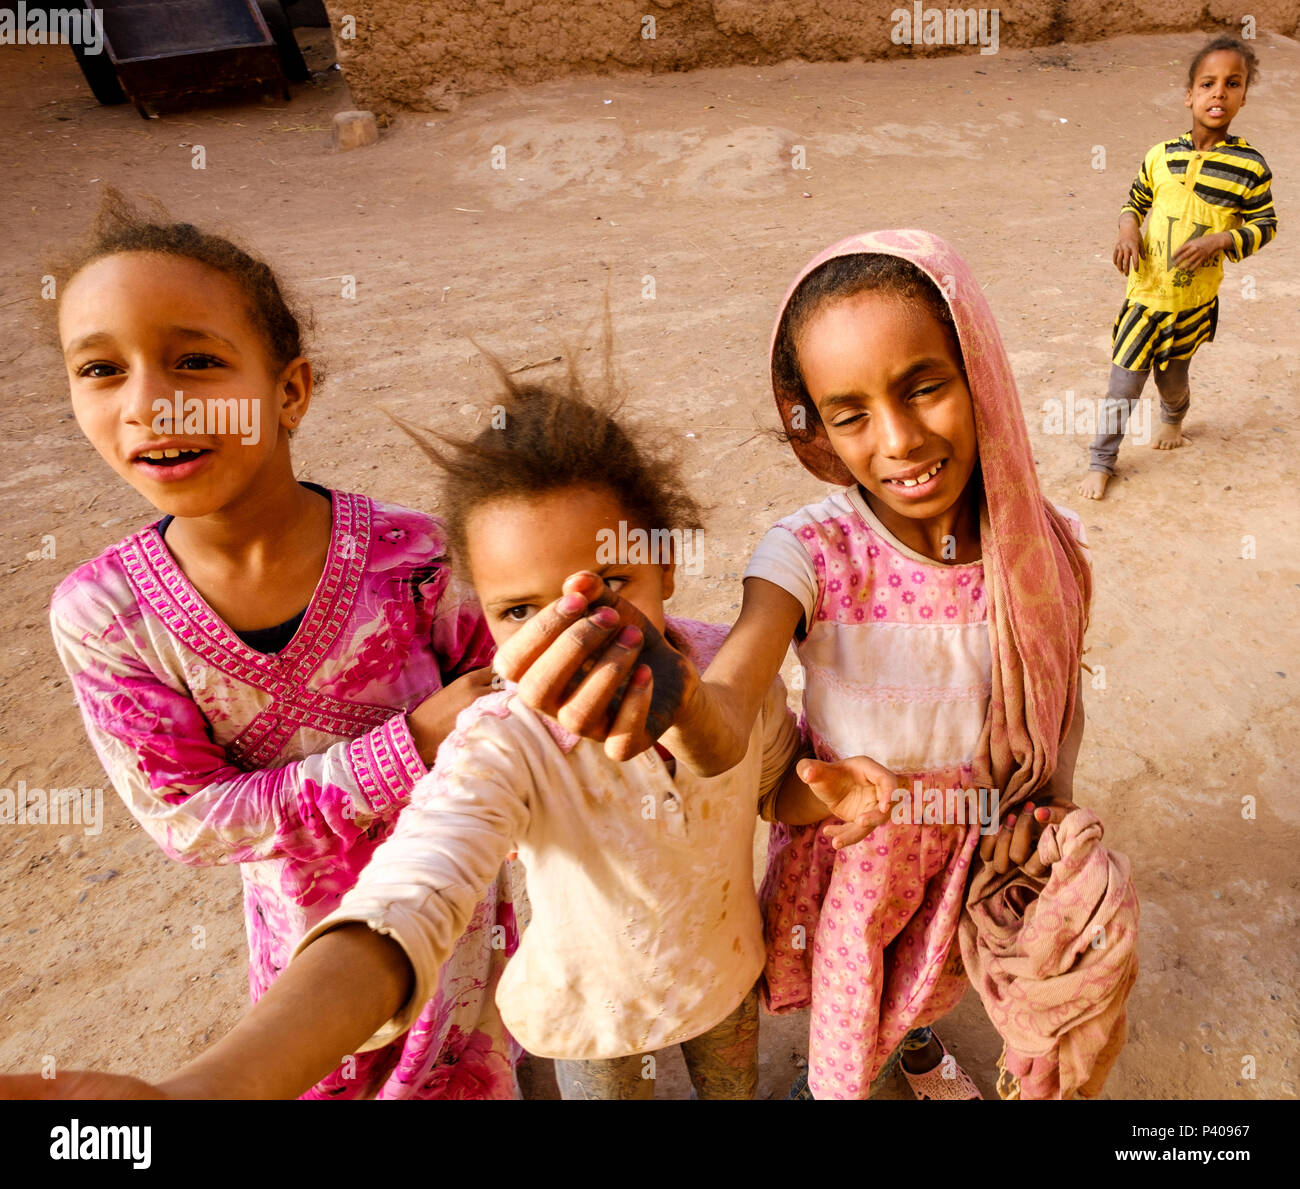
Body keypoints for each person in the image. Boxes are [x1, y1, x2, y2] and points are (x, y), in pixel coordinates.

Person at [6, 354, 831, 1101]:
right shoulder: (502, 737)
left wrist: (834, 793)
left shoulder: (730, 671)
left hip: (727, 974)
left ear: (667, 563)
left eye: (606, 581)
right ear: (484, 613)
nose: (573, 630)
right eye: (520, 610)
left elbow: (769, 780)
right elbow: (412, 891)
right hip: (593, 1014)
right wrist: (220, 1085)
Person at [493, 230, 1139, 1101]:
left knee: (927, 981)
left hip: (974, 836)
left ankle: (910, 1045)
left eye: (924, 388)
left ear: (977, 369)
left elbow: (1060, 691)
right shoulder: (808, 552)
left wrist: (1053, 795)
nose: (901, 439)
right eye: (851, 413)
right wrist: (670, 688)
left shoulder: (1044, 546)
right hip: (858, 853)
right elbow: (726, 719)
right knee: (846, 1041)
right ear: (817, 427)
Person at [42, 192, 520, 1099]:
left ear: (289, 390)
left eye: (195, 361)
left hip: (465, 922)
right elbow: (192, 820)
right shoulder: (106, 618)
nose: (148, 403)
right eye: (101, 369)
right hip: (305, 963)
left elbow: (504, 690)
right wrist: (409, 745)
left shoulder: (415, 556)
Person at [1079, 35, 1278, 499]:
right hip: (1144, 297)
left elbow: (1266, 224)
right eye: (1207, 83)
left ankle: (1174, 416)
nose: (1219, 93)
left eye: (1233, 84)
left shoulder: (1249, 167)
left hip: (1192, 302)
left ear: (1243, 97)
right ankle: (1101, 461)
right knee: (1122, 387)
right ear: (1189, 94)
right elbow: (1134, 202)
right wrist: (1128, 231)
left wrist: (1223, 239)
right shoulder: (1161, 154)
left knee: (1173, 379)